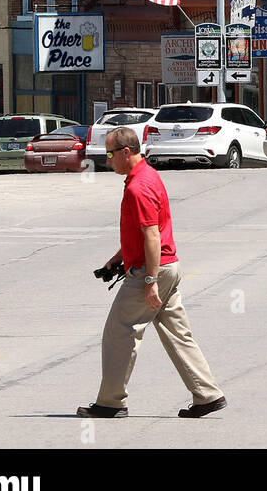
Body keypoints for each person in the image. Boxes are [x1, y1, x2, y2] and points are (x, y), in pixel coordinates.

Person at [77, 126, 227, 419]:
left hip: (153, 270)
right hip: (167, 267)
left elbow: (151, 236)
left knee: (119, 332)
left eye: (110, 154)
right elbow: (146, 230)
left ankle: (111, 402)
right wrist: (119, 258)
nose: (108, 161)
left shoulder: (138, 187)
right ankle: (208, 395)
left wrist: (149, 281)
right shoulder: (147, 175)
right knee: (178, 334)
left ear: (126, 152)